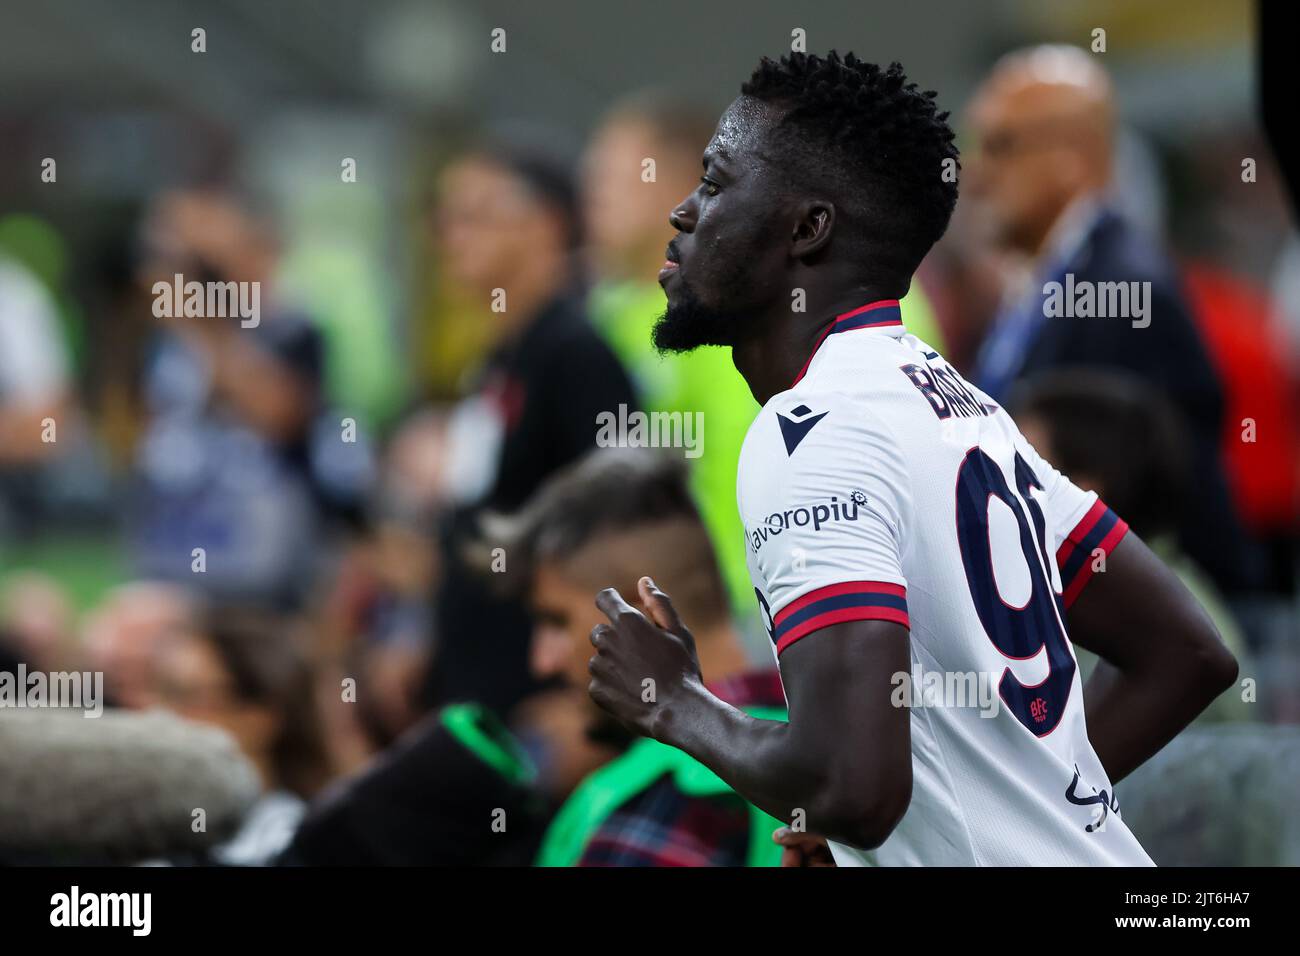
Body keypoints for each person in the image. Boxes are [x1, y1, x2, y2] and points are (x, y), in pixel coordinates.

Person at [584, 51, 1237, 867]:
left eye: (716, 183)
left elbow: (855, 791)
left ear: (807, 228)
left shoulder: (813, 431)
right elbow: (1186, 652)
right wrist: (1022, 814)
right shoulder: (960, 404)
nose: (683, 211)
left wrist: (676, 703)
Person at [963, 45, 1259, 597]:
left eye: (1001, 145)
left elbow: (1137, 509)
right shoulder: (1053, 285)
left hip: (1128, 648)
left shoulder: (1119, 291)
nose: (976, 174)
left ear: (1071, 155)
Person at [483, 448, 786, 866]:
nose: (543, 662)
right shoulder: (839, 751)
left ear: (642, 615)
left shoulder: (661, 807)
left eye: (556, 620)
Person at [419, 140, 637, 717]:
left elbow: (619, 523)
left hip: (541, 693)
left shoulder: (577, 355)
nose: (450, 235)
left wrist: (584, 698)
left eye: (475, 215)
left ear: (546, 225)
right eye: (445, 218)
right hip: (478, 677)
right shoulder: (499, 360)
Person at [150, 607, 331, 865]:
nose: (167, 717)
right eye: (165, 693)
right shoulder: (146, 830)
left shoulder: (298, 843)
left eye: (191, 696)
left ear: (262, 717)